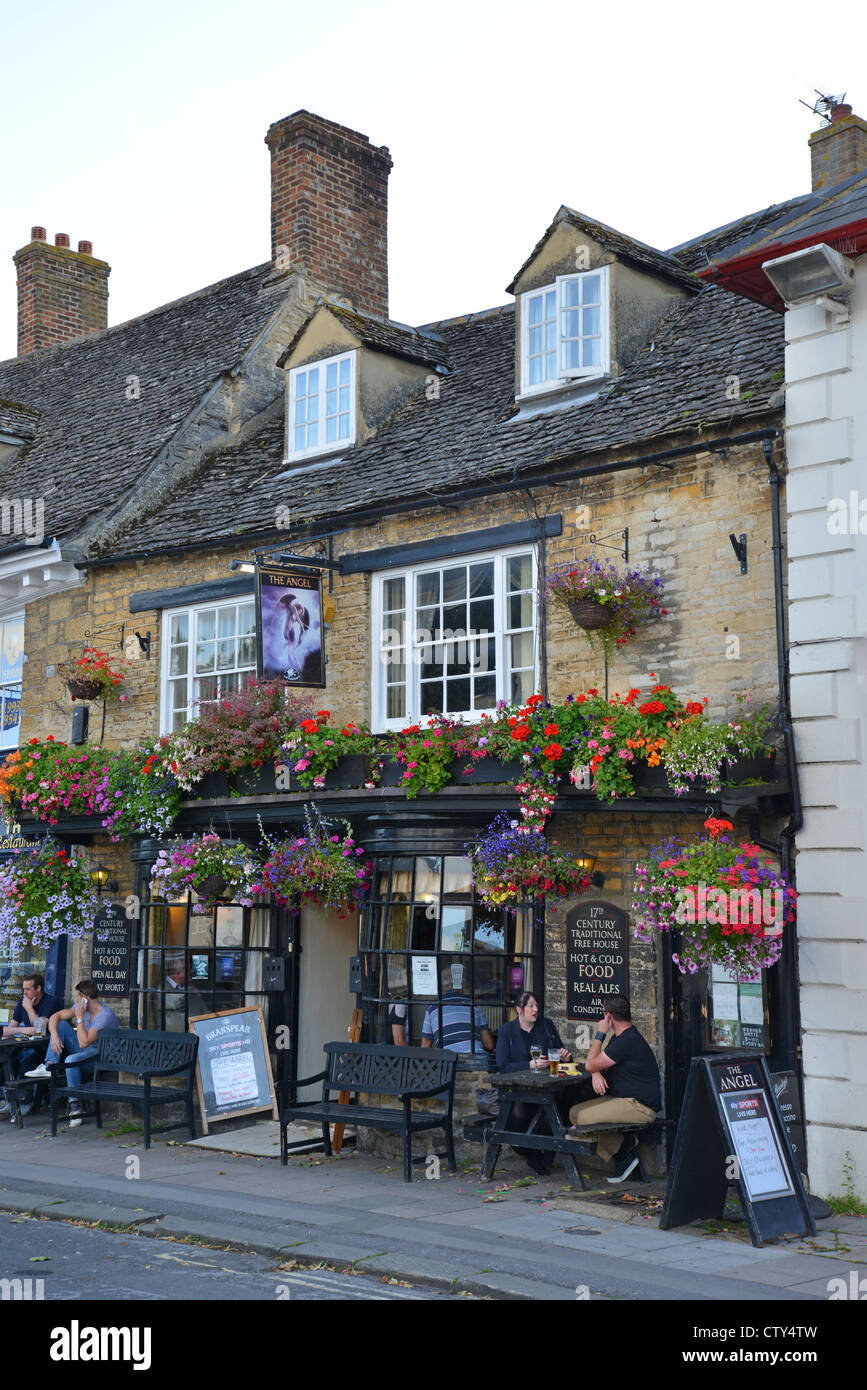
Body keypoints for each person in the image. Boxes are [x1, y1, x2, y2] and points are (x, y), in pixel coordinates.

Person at [565, 994, 661, 1183]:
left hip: (640, 1107)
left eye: (603, 1015)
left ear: (608, 1017)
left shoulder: (627, 1040)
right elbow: (596, 1065)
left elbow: (591, 1063)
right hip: (624, 1099)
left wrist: (600, 1034)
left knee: (584, 1119)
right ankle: (622, 1146)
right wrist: (596, 1073)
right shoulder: (620, 1038)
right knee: (574, 1113)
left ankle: (623, 1153)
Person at [495, 991, 572, 1177]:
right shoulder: (507, 1031)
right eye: (531, 1006)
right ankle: (531, 1152)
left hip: (546, 1088)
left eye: (536, 1005)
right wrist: (529, 1065)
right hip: (519, 1091)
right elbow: (503, 1066)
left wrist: (566, 1057)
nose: (535, 1010)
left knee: (561, 1105)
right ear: (519, 1010)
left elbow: (559, 1055)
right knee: (522, 1115)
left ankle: (541, 1155)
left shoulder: (546, 1026)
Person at [25, 979, 121, 1127]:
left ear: (85, 998)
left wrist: (80, 1018)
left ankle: (75, 1108)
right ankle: (49, 1064)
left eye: (78, 996)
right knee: (61, 1025)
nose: (76, 1000)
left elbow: (84, 1042)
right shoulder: (82, 1007)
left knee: (71, 1060)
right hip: (85, 1051)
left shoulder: (104, 1016)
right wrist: (55, 1036)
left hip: (100, 1056)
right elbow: (54, 1017)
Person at [0, 974, 62, 1119]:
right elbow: (8, 1029)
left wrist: (29, 1009)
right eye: (23, 989)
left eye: (28, 989)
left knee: (27, 1058)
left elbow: (40, 1028)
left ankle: (25, 1100)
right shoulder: (23, 1001)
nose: (24, 993)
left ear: (38, 988)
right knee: (9, 1058)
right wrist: (20, 1030)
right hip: (25, 1045)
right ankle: (11, 1099)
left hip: (45, 1049)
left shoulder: (51, 1002)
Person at [420, 964, 494, 1057]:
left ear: (441, 986)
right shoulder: (473, 1005)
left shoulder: (432, 1008)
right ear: (459, 985)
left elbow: (425, 1046)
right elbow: (489, 1045)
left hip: (448, 1061)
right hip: (476, 1060)